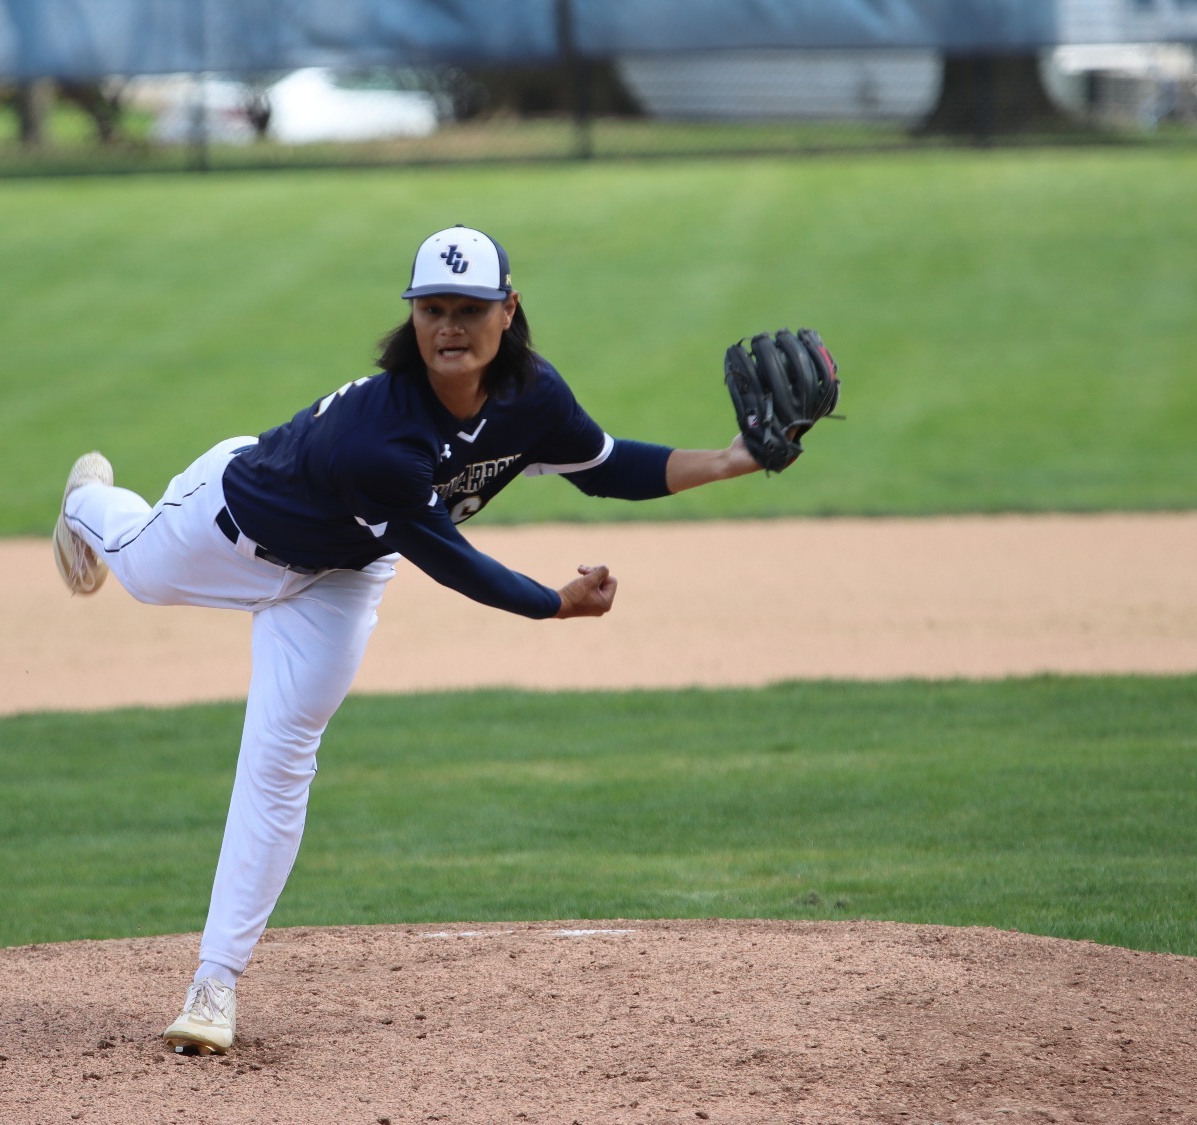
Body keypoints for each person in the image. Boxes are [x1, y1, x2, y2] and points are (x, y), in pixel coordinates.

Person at [53, 226, 809, 1055]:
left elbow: (603, 465)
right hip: (229, 527)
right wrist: (553, 603)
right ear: (412, 318)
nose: (450, 326)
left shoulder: (533, 397)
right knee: (136, 567)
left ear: (508, 310)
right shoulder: (380, 436)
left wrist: (732, 459)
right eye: (433, 309)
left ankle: (214, 983)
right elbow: (450, 559)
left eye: (471, 309)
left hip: (343, 576)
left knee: (282, 755)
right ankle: (89, 502)